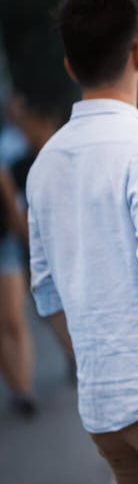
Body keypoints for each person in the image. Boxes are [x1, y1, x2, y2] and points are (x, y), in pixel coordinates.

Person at [26, 0, 138, 484]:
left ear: (72, 66)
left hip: (103, 410)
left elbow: (46, 291)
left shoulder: (45, 162)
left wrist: (99, 363)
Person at [0, 165, 36, 416]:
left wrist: (29, 242)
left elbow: (11, 204)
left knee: (14, 320)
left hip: (5, 247)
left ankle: (25, 389)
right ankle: (17, 388)